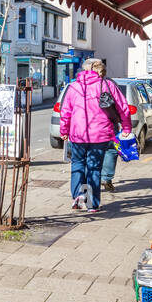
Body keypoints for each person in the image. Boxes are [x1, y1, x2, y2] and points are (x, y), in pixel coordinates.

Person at [59, 58, 127, 213]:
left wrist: (64, 130)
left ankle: (78, 195)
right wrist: (126, 127)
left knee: (77, 164)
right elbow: (122, 107)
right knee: (94, 168)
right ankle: (92, 204)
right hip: (100, 134)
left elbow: (66, 112)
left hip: (78, 134)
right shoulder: (106, 85)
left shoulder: (73, 87)